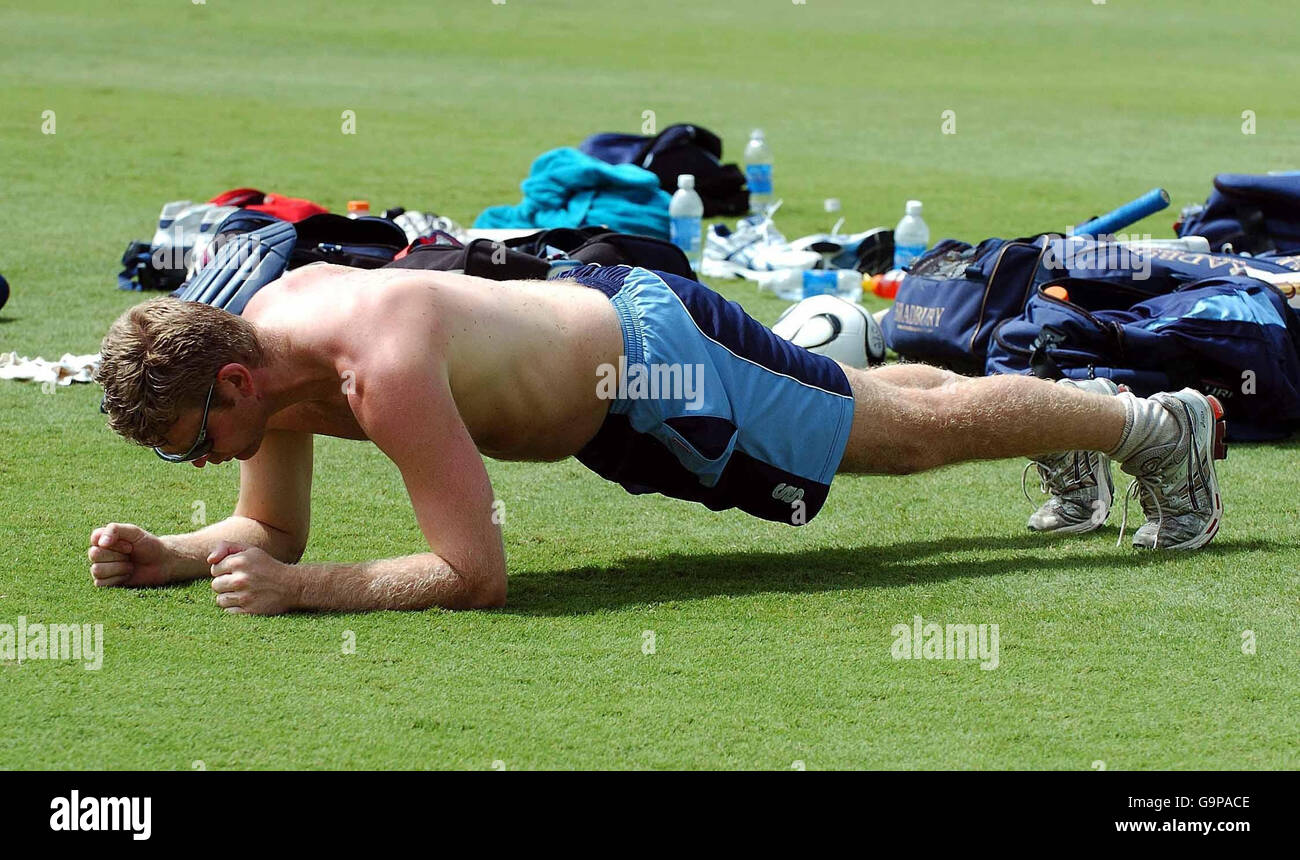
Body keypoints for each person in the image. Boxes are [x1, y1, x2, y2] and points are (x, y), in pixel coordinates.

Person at [90, 263, 1225, 614]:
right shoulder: (264, 360)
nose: (200, 461)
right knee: (860, 392)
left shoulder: (371, 367)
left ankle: (1152, 426)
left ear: (232, 377)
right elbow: (268, 521)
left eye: (196, 439)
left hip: (647, 369)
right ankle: (1067, 435)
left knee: (899, 434)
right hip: (606, 357)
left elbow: (472, 572)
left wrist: (300, 590)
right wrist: (186, 550)